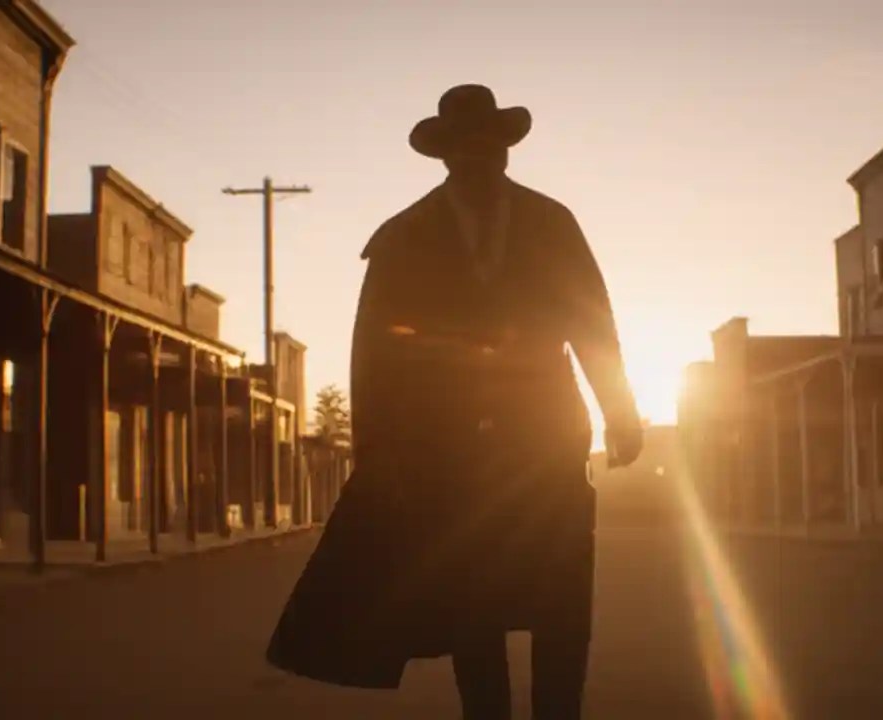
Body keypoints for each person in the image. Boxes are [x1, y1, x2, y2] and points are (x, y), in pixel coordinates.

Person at [266, 84, 643, 720]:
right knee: (477, 605)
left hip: (547, 438)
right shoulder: (404, 237)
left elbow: (593, 321)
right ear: (445, 157)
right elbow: (374, 356)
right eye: (466, 148)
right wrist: (377, 453)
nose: (479, 158)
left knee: (562, 598)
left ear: (504, 150)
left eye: (489, 146)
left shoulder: (552, 222)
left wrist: (620, 410)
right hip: (449, 449)